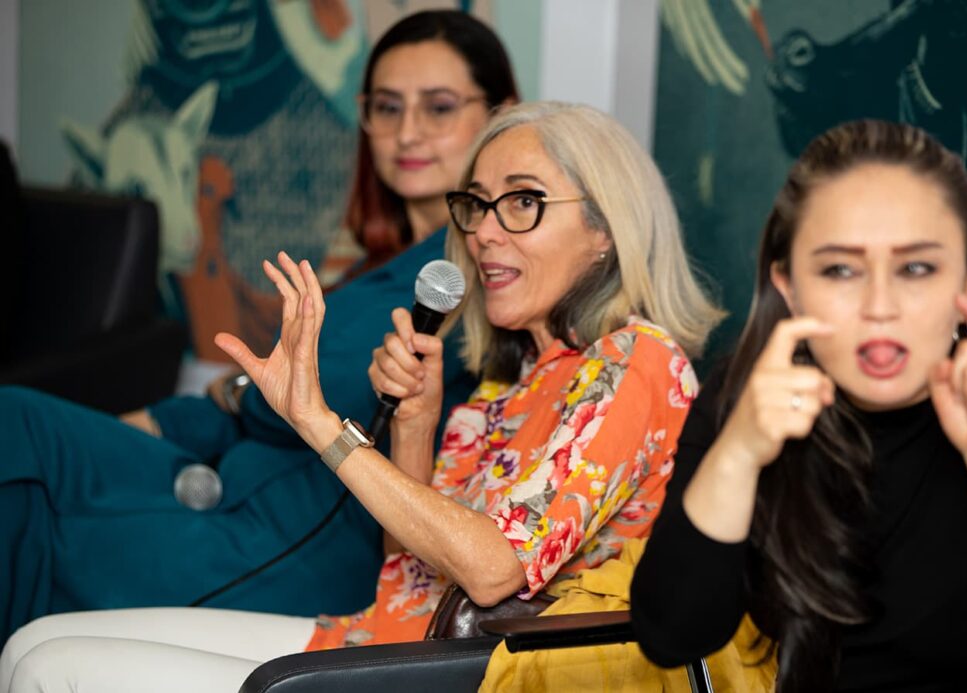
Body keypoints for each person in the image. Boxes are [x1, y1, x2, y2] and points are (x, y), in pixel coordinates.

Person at [1, 101, 724, 693]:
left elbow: (495, 568)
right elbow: (413, 560)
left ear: (604, 229)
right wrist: (414, 423)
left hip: (482, 674)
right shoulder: (508, 382)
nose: (482, 233)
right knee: (33, 640)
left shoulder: (633, 360)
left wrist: (318, 421)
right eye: (475, 205)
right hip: (389, 632)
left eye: (523, 204)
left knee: (47, 669)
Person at [0, 9, 519, 643]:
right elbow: (263, 398)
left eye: (438, 108)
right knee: (18, 421)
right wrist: (160, 421)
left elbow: (299, 400)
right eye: (386, 108)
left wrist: (238, 393)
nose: (407, 132)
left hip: (299, 533)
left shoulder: (472, 270)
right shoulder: (369, 263)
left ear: (500, 115)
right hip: (225, 470)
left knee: (31, 513)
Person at [631, 119, 967, 691]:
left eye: (916, 268)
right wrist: (737, 456)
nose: (879, 305)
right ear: (788, 286)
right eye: (840, 269)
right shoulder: (752, 399)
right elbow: (672, 636)